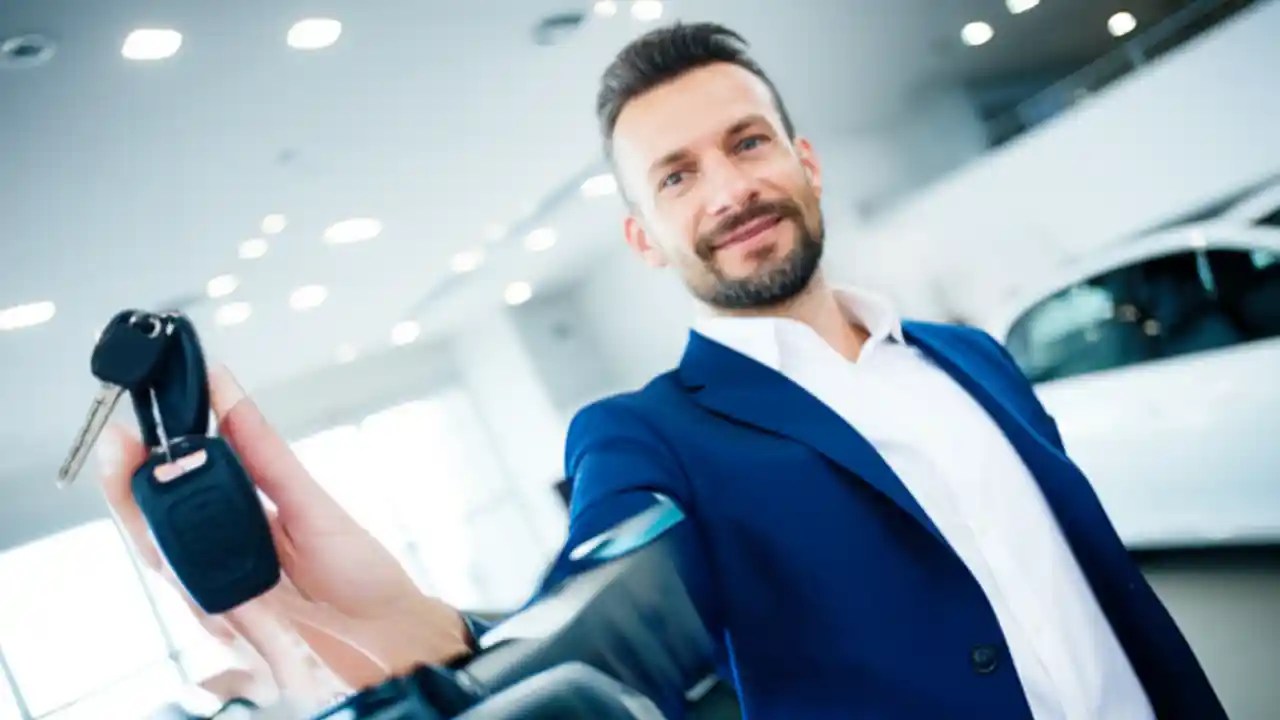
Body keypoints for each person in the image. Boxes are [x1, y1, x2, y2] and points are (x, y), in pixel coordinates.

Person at [96, 21, 1227, 720]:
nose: (725, 189)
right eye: (674, 177)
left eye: (744, 143)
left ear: (805, 161)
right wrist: (407, 627)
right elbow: (606, 612)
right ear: (644, 236)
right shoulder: (646, 438)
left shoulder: (975, 360)